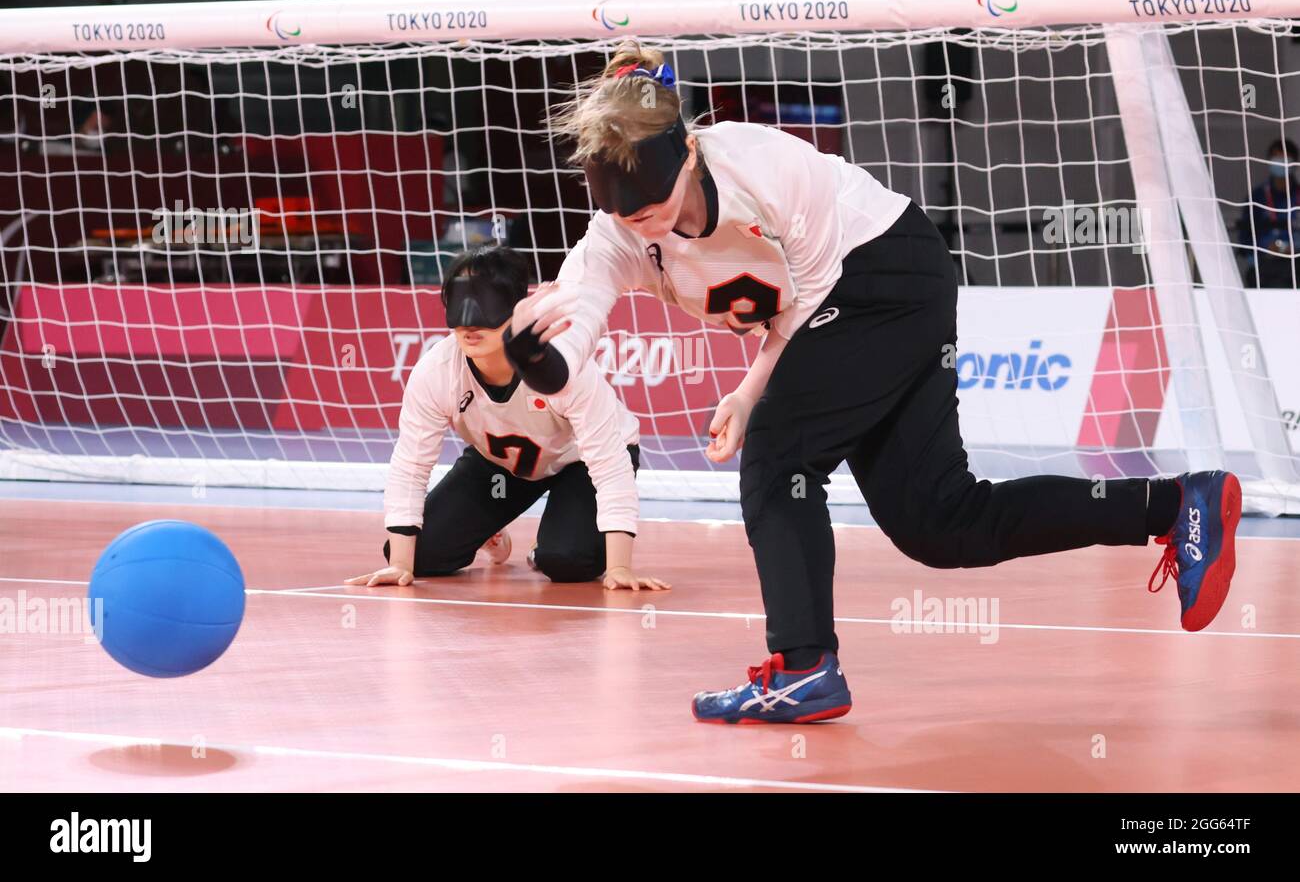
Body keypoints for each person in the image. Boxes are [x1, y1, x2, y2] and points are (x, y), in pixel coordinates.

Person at [501, 41, 1241, 724]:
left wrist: (752, 393)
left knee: (779, 457)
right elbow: (577, 339)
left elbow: (814, 305)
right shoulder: (617, 236)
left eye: (654, 204)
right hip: (851, 306)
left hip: (886, 268)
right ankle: (1178, 504)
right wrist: (537, 359)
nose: (644, 225)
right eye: (623, 213)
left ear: (688, 152)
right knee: (941, 522)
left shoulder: (763, 166)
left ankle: (803, 667)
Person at [347, 243, 669, 592]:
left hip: (580, 465)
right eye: (459, 304)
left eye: (484, 304)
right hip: (502, 466)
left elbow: (608, 463)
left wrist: (620, 567)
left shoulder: (557, 365)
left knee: (566, 560)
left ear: (515, 309)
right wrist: (399, 565)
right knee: (416, 554)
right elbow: (411, 463)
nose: (470, 324)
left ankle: (545, 547)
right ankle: (489, 529)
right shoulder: (437, 371)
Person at [1237, 137, 1298, 288]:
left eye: (1285, 157)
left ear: (1295, 162)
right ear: (1269, 160)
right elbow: (1245, 237)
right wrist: (1264, 247)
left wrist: (1294, 247)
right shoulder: (1257, 196)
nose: (1281, 161)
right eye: (1277, 156)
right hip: (1265, 266)